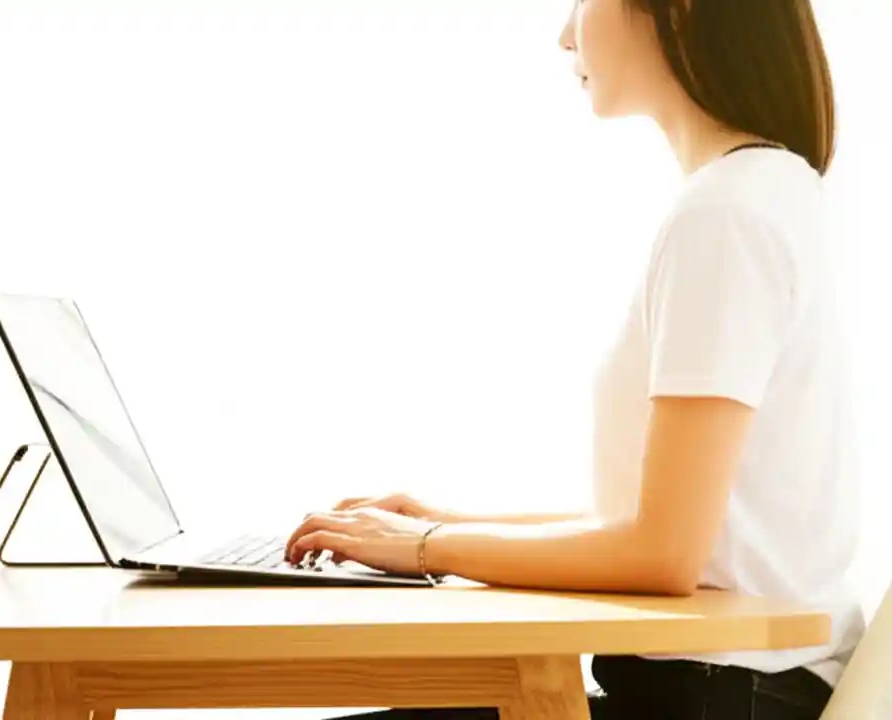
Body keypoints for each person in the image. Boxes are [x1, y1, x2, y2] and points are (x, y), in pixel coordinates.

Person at [284, 1, 866, 718]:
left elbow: (663, 554)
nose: (565, 35)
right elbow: (677, 529)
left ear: (676, 12)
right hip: (736, 692)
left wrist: (431, 545)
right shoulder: (765, 194)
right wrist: (444, 522)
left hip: (720, 698)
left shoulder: (726, 215)